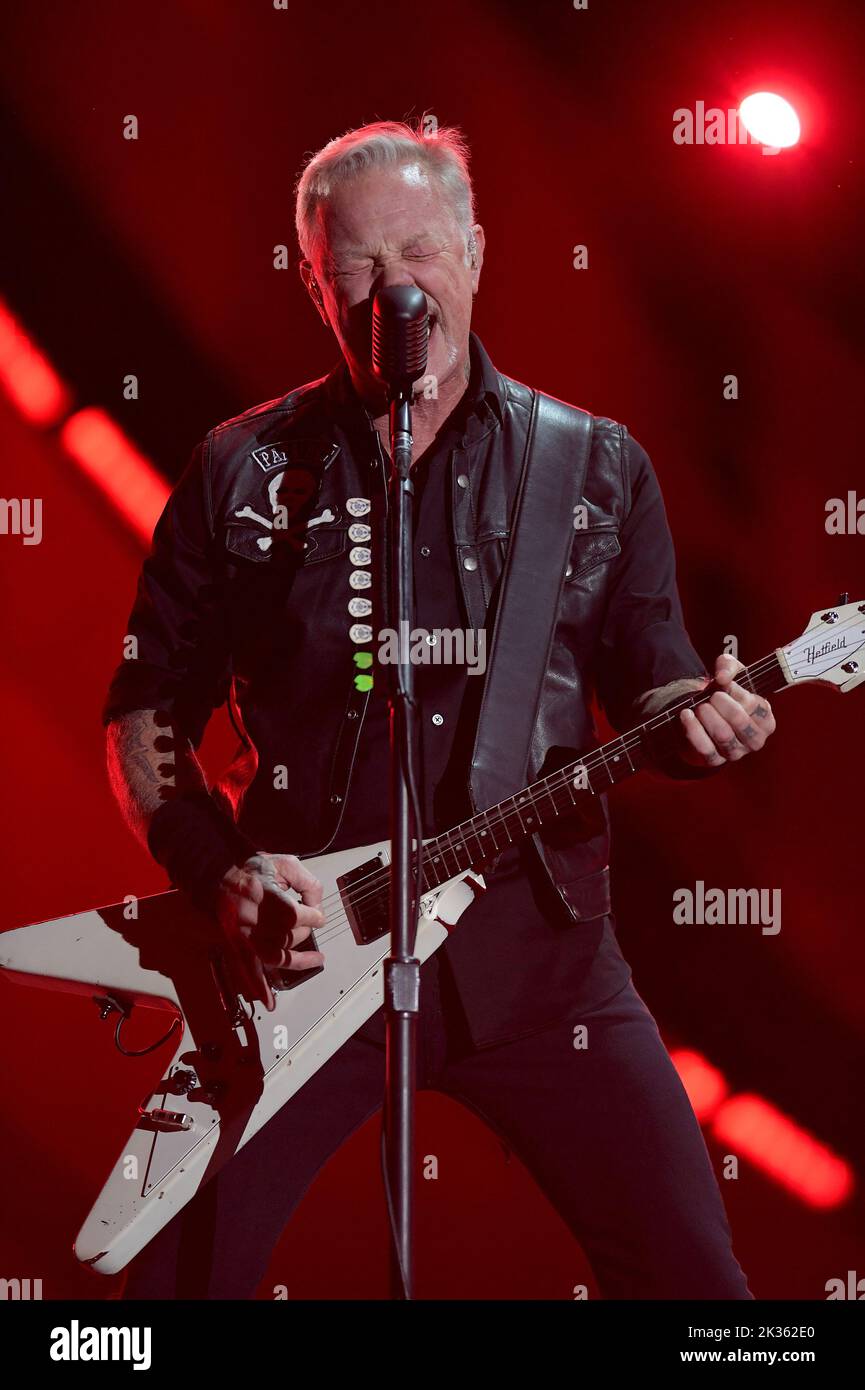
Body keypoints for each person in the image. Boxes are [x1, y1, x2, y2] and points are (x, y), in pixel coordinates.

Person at [104, 120, 776, 1300]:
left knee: (701, 1295)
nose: (396, 288)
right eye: (359, 265)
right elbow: (148, 709)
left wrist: (703, 719)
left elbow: (657, 672)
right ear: (314, 284)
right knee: (156, 1296)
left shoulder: (595, 465)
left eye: (420, 249)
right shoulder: (239, 470)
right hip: (300, 964)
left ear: (475, 250)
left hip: (544, 967)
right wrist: (221, 875)